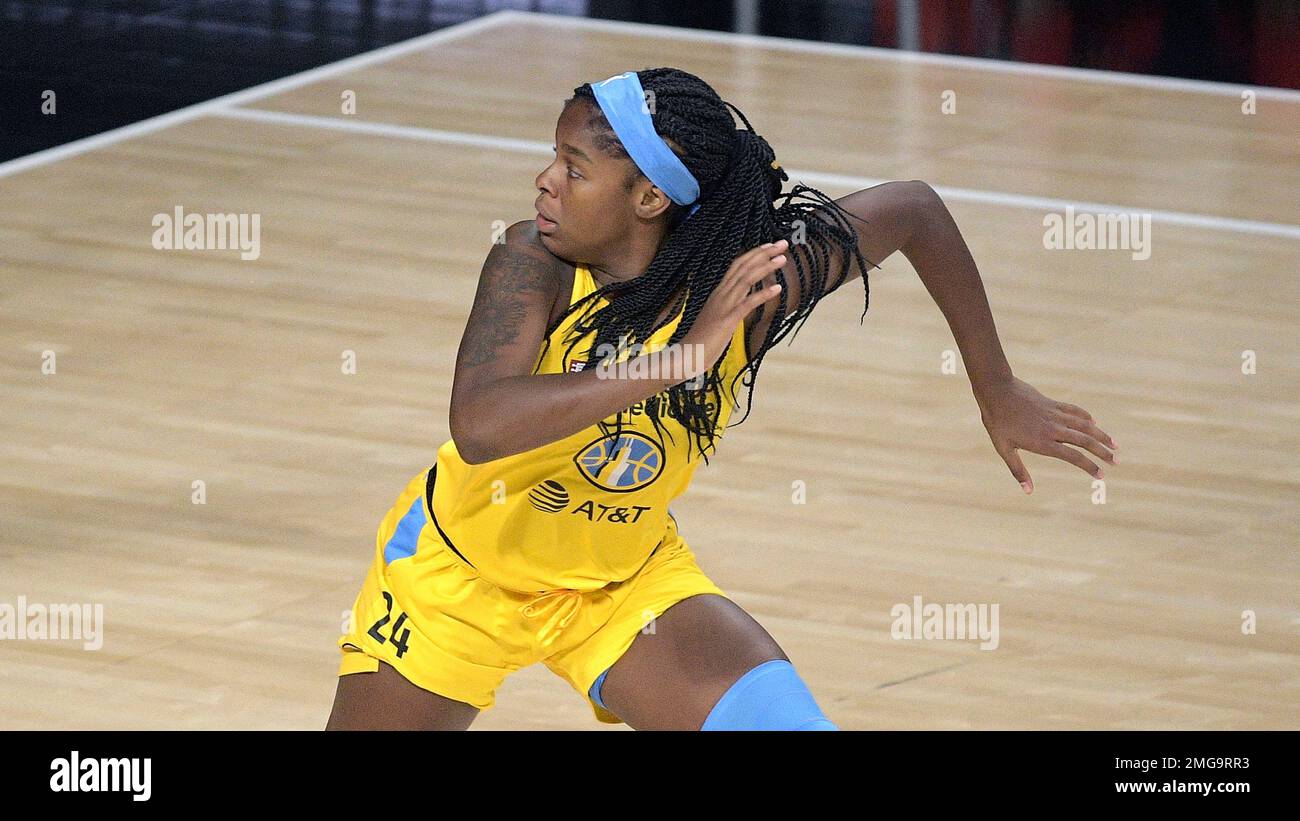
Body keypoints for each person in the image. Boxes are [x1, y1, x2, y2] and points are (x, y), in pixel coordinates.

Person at [326, 68, 1117, 731]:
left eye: (573, 167)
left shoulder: (746, 291)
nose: (545, 180)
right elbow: (480, 423)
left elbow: (914, 210)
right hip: (455, 580)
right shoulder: (532, 261)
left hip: (621, 586)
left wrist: (996, 387)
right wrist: (679, 358)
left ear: (648, 199)